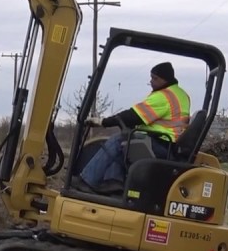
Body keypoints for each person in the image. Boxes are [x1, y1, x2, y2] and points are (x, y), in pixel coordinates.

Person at [73, 61, 190, 193]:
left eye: (155, 78)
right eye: (151, 77)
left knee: (118, 141)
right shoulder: (180, 94)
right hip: (168, 144)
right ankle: (115, 181)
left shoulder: (164, 96)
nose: (151, 81)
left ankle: (87, 181)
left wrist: (103, 122)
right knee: (123, 142)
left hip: (162, 144)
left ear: (165, 79)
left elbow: (133, 116)